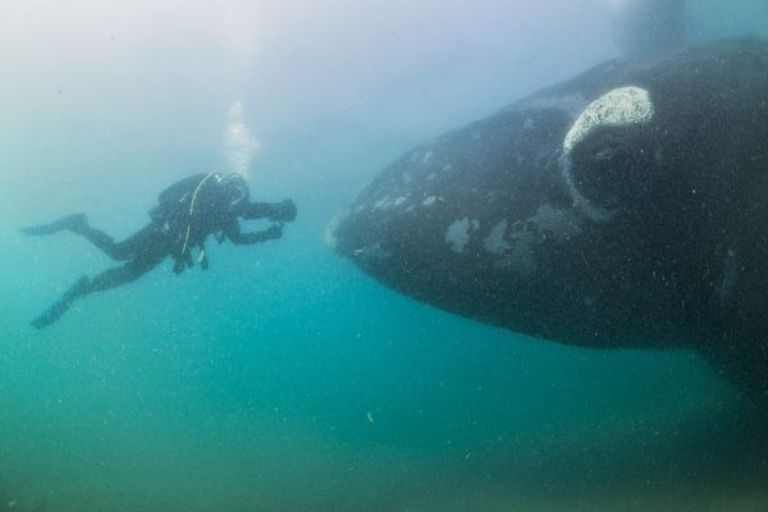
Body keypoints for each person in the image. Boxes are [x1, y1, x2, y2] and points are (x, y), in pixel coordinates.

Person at [21, 172, 297, 329]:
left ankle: (83, 286)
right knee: (119, 255)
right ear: (228, 190)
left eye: (241, 198)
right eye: (236, 196)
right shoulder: (211, 196)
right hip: (163, 232)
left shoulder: (226, 212)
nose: (238, 203)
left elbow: (243, 228)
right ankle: (79, 225)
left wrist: (273, 226)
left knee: (128, 272)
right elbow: (243, 213)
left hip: (169, 244)